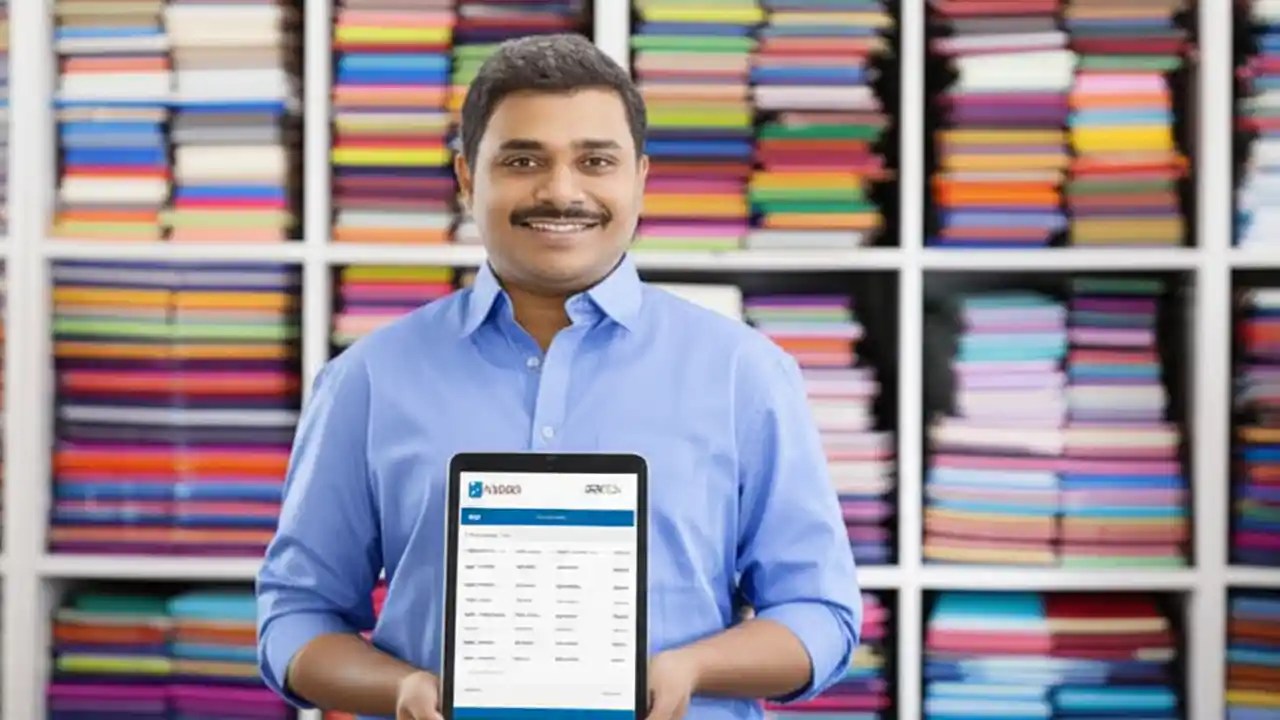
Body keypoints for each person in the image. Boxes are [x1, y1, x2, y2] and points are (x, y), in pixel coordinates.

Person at [255, 33, 862, 720]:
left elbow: (820, 613)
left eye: (595, 161)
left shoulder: (745, 374)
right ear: (465, 177)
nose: (560, 191)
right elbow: (297, 616)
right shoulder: (367, 378)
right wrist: (400, 688)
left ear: (639, 177)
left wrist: (690, 669)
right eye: (522, 160)